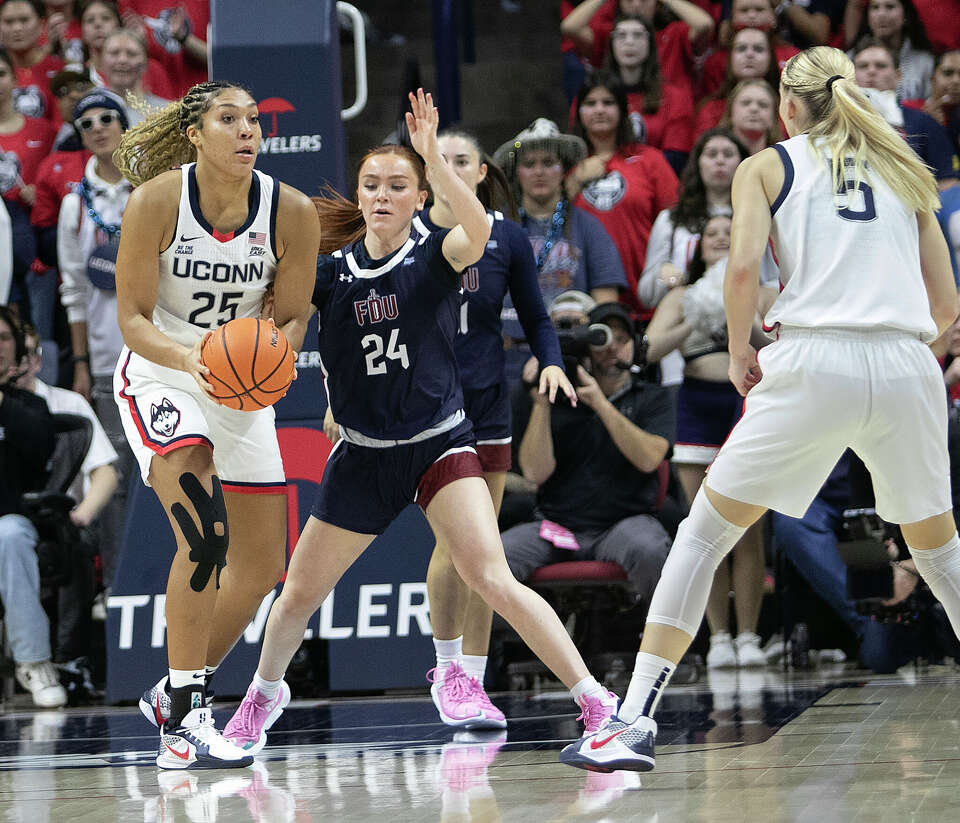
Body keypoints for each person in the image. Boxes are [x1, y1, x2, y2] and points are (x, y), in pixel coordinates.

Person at [560, 46, 960, 773]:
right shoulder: (906, 167)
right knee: (938, 550)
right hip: (906, 363)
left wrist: (742, 348)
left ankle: (631, 721)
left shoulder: (768, 165)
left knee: (704, 533)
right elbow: (948, 305)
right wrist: (903, 351)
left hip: (815, 357)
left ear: (788, 105)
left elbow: (742, 267)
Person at [222, 90, 618, 755]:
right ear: (358, 194)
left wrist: (434, 158)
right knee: (295, 597)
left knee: (491, 576)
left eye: (397, 185)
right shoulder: (327, 273)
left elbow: (480, 231)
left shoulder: (436, 255)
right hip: (364, 455)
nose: (382, 194)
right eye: (371, 184)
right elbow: (274, 322)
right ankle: (260, 700)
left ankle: (598, 705)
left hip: (440, 446)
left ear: (419, 197)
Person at [112, 80, 322, 769]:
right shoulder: (156, 201)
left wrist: (272, 352)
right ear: (195, 134)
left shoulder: (290, 211)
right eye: (228, 119)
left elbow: (293, 317)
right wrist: (192, 358)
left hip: (237, 385)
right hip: (164, 371)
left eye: (254, 120)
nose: (246, 131)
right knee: (204, 539)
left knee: (260, 566)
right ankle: (186, 715)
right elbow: (132, 318)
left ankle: (174, 688)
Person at [482, 299, 675, 621]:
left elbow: (649, 459)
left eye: (622, 339)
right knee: (493, 561)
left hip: (623, 523)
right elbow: (535, 473)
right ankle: (510, 648)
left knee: (651, 550)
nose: (613, 348)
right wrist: (541, 404)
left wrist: (601, 404)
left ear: (636, 345)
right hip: (556, 525)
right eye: (603, 339)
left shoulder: (652, 398)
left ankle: (664, 642)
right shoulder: (557, 397)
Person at [643, 214, 774, 667]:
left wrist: (741, 317)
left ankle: (750, 635)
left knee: (750, 528)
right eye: (711, 234)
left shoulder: (762, 291)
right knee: (705, 528)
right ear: (698, 247)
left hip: (748, 407)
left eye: (729, 233)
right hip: (697, 408)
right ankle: (718, 638)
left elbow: (784, 344)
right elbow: (648, 349)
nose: (720, 239)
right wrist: (694, 319)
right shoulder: (680, 295)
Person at [57, 89, 133, 592]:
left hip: (162, 357)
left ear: (125, 125)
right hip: (107, 362)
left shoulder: (153, 190)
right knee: (114, 479)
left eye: (108, 118)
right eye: (87, 123)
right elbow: (74, 292)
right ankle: (120, 587)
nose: (99, 127)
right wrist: (81, 363)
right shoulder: (74, 206)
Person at [492, 118, 627, 386]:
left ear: (564, 169)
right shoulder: (495, 227)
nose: (539, 172)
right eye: (529, 164)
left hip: (569, 356)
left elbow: (606, 308)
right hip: (504, 358)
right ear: (516, 172)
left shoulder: (588, 227)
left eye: (548, 162)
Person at [15, 324, 118, 668]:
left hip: (61, 522)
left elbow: (105, 472)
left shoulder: (68, 404)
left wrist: (81, 516)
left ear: (38, 360)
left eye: (27, 354)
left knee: (76, 544)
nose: (19, 364)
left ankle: (68, 659)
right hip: (11, 519)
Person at [567, 72, 679, 319]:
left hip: (646, 294)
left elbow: (677, 222)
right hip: (582, 301)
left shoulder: (650, 160)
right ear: (579, 112)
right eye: (590, 103)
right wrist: (574, 180)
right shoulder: (567, 167)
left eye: (608, 102)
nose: (599, 110)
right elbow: (548, 219)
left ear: (622, 110)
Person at [0, 304, 66, 708]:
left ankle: (34, 661)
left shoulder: (30, 407)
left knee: (7, 535)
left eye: (3, 338)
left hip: (12, 521)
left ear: (19, 350)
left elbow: (40, 450)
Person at [853, 41, 959, 191]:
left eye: (881, 66)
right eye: (863, 66)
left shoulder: (924, 122)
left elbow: (948, 184)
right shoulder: (833, 122)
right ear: (851, 76)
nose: (871, 71)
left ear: (898, 76)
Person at [0, 46, 55, 331]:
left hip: (36, 245)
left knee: (39, 329)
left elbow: (58, 183)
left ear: (15, 78)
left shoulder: (43, 130)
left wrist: (40, 194)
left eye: (1, 74)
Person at [602, 12, 695, 173]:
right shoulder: (596, 96)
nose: (629, 42)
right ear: (611, 44)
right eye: (621, 35)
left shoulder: (674, 97)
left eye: (638, 35)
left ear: (650, 43)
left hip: (657, 179)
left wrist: (634, 174)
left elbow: (676, 157)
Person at [694, 27, 781, 139]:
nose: (749, 54)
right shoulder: (711, 110)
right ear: (730, 58)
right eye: (741, 48)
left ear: (771, 58)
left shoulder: (786, 109)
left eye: (758, 49)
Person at [845, 0, 935, 101]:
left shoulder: (925, 62)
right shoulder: (847, 60)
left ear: (905, 15)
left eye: (890, 7)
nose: (881, 14)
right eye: (875, 7)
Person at [0, 0, 63, 122]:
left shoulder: (61, 70)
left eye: (24, 20)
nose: (17, 28)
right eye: (8, 22)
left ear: (41, 25)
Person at [98, 28, 169, 125]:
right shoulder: (88, 114)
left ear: (145, 63)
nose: (122, 60)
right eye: (114, 53)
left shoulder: (165, 113)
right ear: (101, 62)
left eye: (132, 54)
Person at [717, 78, 783, 155]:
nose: (754, 109)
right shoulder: (717, 157)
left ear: (774, 116)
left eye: (763, 105)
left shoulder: (786, 157)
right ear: (730, 112)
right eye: (746, 103)